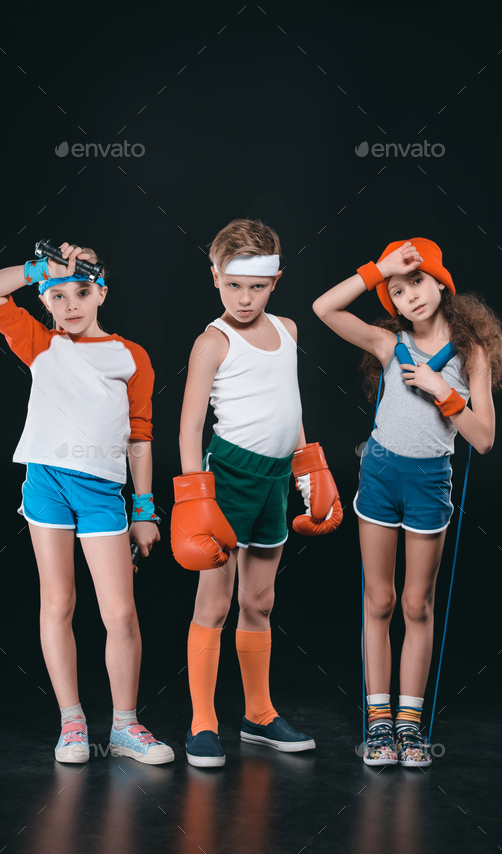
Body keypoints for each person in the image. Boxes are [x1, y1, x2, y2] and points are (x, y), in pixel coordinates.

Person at [0, 242, 174, 765]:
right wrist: (42, 268)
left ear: (102, 291)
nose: (70, 305)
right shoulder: (41, 344)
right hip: (46, 485)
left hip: (102, 491)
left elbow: (141, 435)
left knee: (120, 613)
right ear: (45, 303)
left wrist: (146, 509)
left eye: (82, 291)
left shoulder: (131, 356)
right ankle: (72, 722)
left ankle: (126, 726)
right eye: (57, 296)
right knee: (58, 603)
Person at [313, 238, 502, 767]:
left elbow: (484, 437)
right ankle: (378, 726)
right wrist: (379, 268)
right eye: (397, 292)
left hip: (429, 485)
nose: (410, 297)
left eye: (417, 281)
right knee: (378, 601)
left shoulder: (472, 354)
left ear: (441, 283)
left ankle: (411, 727)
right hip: (379, 476)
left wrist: (441, 391)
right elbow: (323, 308)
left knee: (416, 605)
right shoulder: (386, 343)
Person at [171, 218, 342, 767]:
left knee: (260, 600)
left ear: (276, 280)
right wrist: (194, 498)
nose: (245, 299)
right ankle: (202, 723)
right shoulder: (211, 341)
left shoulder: (290, 330)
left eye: (257, 286)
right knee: (215, 601)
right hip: (226, 480)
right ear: (215, 278)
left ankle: (259, 716)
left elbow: (290, 408)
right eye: (233, 285)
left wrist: (306, 468)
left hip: (273, 480)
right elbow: (189, 426)